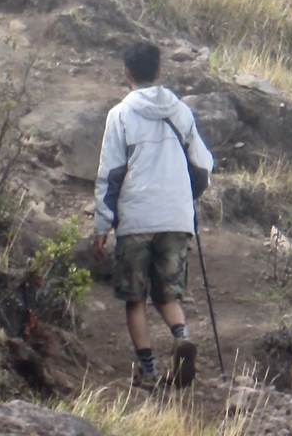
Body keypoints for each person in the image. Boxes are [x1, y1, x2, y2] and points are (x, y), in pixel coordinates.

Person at [92, 41, 214, 389]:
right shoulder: (181, 112)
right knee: (167, 294)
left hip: (137, 218)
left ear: (126, 72)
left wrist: (102, 224)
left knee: (135, 299)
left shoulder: (120, 115)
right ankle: (181, 337)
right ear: (159, 71)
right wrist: (185, 199)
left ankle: (147, 371)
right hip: (177, 217)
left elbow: (111, 174)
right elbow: (204, 164)